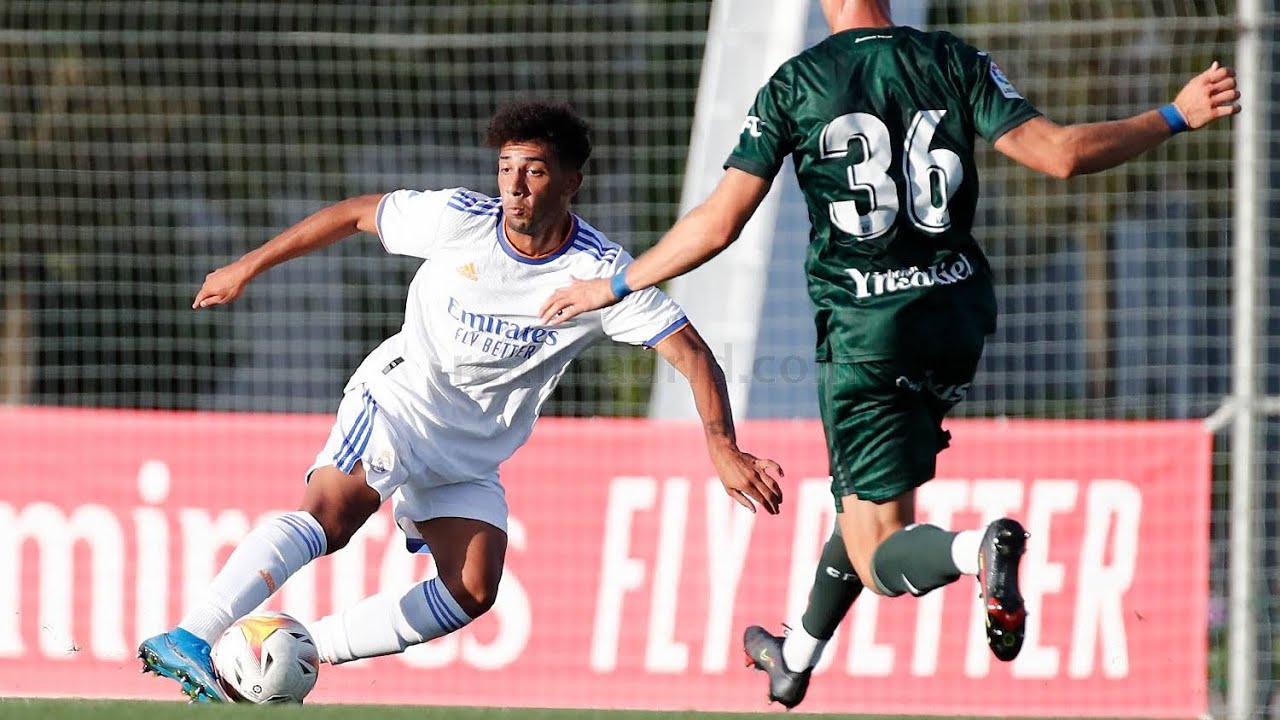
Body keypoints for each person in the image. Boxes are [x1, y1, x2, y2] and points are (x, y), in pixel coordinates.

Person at [539, 0, 1241, 709]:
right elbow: (1059, 156)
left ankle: (977, 552)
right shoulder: (950, 59)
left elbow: (719, 224)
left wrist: (617, 282)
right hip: (957, 317)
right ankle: (796, 660)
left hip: (866, 335)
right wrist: (1175, 113)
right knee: (862, 504)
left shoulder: (800, 82)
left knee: (879, 556)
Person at [137, 100, 785, 703]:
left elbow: (693, 353)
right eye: (506, 168)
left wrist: (722, 448)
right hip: (398, 401)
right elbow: (356, 213)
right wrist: (248, 266)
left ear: (571, 183)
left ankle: (307, 648)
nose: (515, 186)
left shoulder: (600, 273)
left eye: (534, 171)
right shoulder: (458, 220)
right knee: (330, 518)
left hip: (469, 452)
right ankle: (193, 633)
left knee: (472, 589)